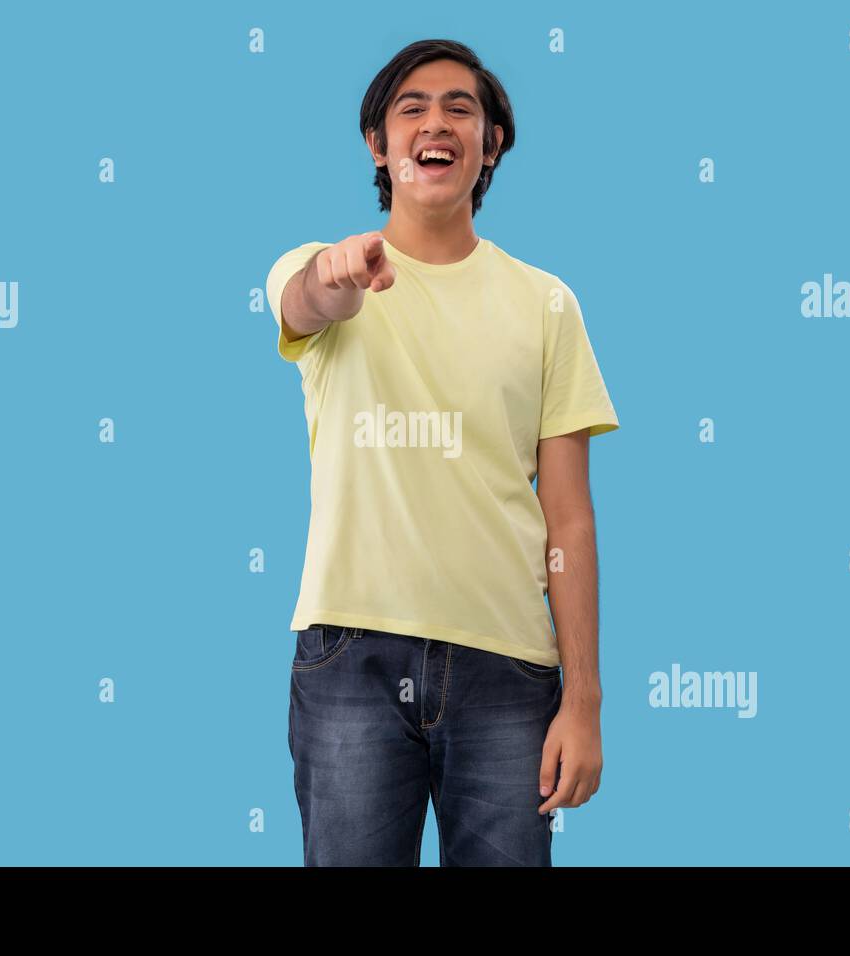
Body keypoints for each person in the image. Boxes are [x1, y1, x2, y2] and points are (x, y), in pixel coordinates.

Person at [265, 38, 619, 866]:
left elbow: (568, 518)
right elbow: (306, 298)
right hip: (349, 655)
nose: (437, 121)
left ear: (491, 144)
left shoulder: (547, 304)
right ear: (379, 145)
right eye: (411, 108)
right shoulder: (327, 276)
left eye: (462, 107)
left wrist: (586, 700)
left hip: (509, 672)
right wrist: (337, 272)